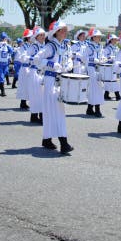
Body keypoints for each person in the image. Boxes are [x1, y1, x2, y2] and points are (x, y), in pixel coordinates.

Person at [33, 20, 74, 153]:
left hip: (61, 80)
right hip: (51, 79)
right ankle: (64, 142)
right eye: (62, 30)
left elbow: (69, 59)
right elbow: (37, 59)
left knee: (55, 110)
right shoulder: (50, 46)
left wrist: (69, 65)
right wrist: (51, 64)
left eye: (65, 30)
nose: (65, 32)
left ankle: (47, 139)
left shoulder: (65, 46)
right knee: (55, 110)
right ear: (56, 32)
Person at [85, 28, 105, 117]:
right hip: (91, 68)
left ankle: (90, 108)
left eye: (100, 37)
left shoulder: (100, 46)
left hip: (99, 68)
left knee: (99, 89)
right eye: (97, 36)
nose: (99, 38)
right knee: (94, 89)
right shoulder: (88, 47)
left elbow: (102, 56)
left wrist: (104, 59)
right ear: (93, 37)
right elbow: (84, 57)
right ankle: (96, 109)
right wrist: (95, 60)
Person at [14, 30, 32, 109]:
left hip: (30, 67)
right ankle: (23, 102)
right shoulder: (23, 47)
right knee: (24, 85)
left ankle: (25, 101)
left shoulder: (31, 46)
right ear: (28, 38)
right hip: (25, 67)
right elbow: (19, 58)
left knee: (29, 85)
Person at [102, 34, 121, 101]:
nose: (116, 40)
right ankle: (117, 95)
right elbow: (104, 58)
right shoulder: (107, 48)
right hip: (109, 67)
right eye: (115, 39)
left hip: (115, 66)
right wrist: (110, 58)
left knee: (111, 81)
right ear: (111, 40)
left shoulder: (116, 48)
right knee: (112, 81)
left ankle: (106, 94)